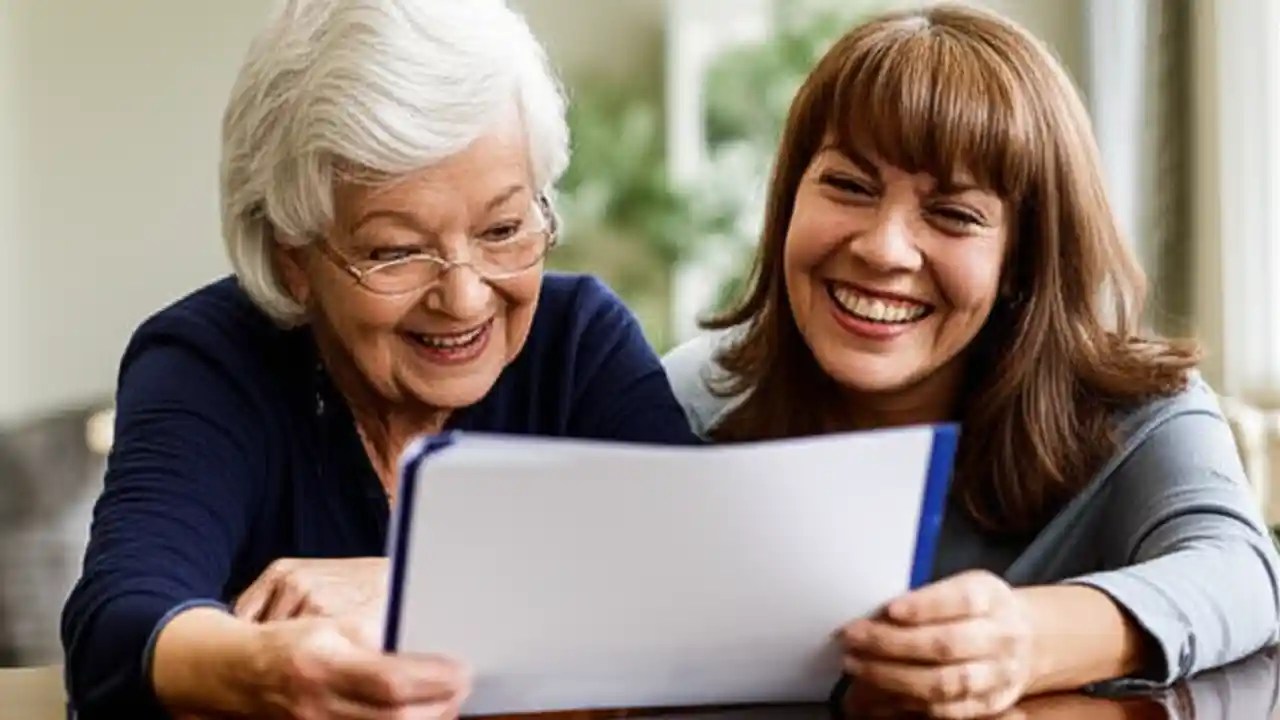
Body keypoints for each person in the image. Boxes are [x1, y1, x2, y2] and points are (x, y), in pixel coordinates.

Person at [61, 0, 698, 717]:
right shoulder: (212, 361)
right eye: (395, 250)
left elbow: (698, 583)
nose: (463, 298)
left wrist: (415, 590)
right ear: (293, 259)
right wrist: (270, 671)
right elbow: (120, 631)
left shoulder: (578, 342)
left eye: (504, 228)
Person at [663, 4, 1280, 718]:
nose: (883, 248)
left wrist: (1023, 637)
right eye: (849, 187)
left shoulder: (1138, 413)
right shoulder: (694, 398)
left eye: (954, 214)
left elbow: (1244, 576)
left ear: (1023, 259)